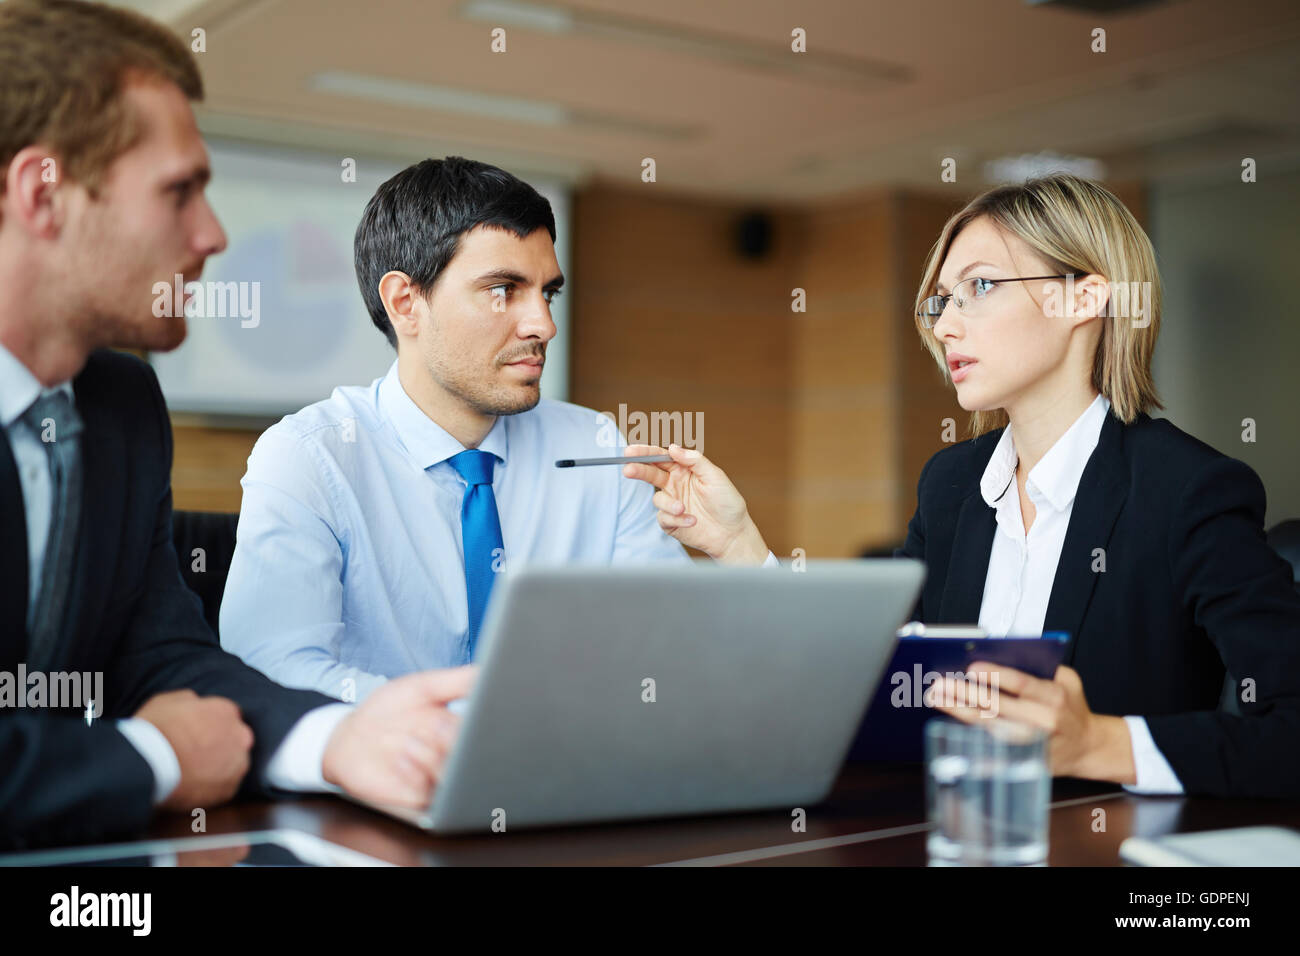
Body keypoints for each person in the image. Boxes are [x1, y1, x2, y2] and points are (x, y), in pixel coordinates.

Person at [623, 173, 1300, 798]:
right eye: (940, 301)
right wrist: (740, 545)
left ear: (1084, 297)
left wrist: (1099, 743)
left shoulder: (1189, 490)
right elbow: (872, 676)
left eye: (980, 287)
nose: (945, 324)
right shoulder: (951, 484)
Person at [0, 0, 471, 849]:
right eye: (179, 192)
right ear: (43, 193)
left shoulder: (121, 408)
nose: (212, 235)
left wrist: (336, 739)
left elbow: (165, 657)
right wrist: (148, 756)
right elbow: (156, 729)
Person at [218, 156, 777, 702]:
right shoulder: (311, 458)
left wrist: (739, 549)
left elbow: (679, 664)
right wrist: (462, 730)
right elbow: (274, 669)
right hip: (383, 787)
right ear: (405, 303)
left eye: (547, 292)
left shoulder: (601, 450)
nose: (544, 324)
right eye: (502, 290)